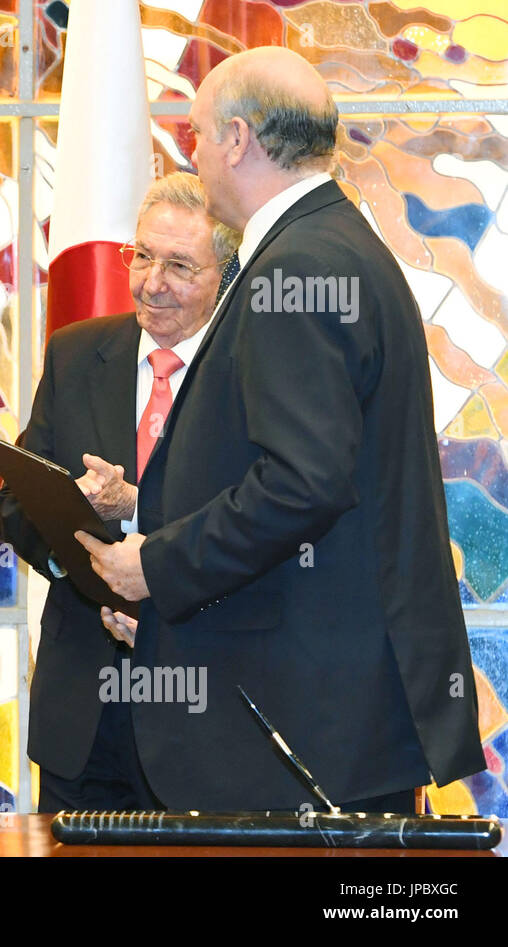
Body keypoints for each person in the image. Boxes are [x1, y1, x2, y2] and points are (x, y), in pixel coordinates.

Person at [77, 47, 484, 811]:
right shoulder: (335, 244)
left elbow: (302, 482)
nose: (190, 156)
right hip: (329, 712)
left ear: (237, 140)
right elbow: (303, 466)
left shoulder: (295, 267)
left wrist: (157, 565)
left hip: (303, 723)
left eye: (195, 135)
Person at [0, 173, 237, 812]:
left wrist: (144, 539)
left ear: (226, 273)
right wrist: (75, 554)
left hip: (204, 706)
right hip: (84, 712)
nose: (152, 282)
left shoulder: (246, 370)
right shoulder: (77, 354)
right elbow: (14, 503)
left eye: (180, 265)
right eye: (143, 256)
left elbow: (258, 521)